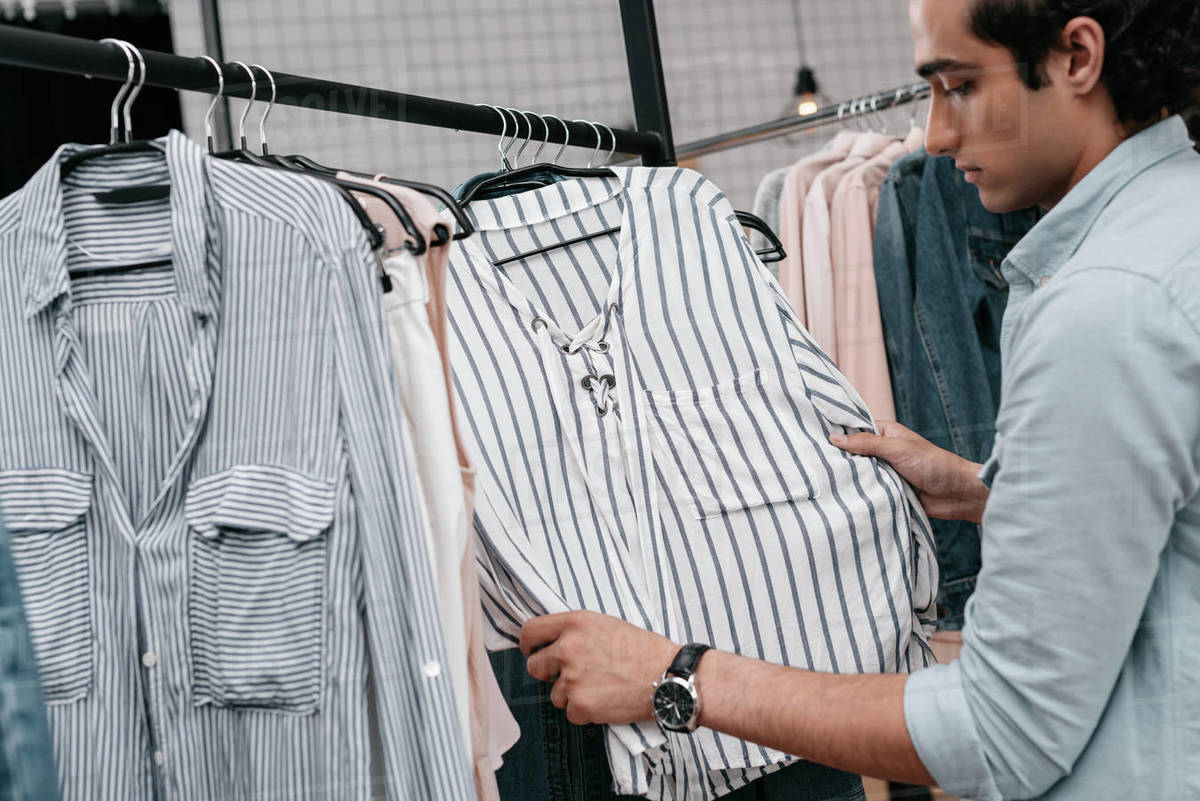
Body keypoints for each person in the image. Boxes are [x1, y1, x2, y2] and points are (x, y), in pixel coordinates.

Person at [517, 1, 1200, 799]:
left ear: (1077, 57)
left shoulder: (1103, 307)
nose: (938, 135)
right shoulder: (1174, 230)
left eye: (959, 85)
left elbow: (1000, 729)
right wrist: (991, 489)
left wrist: (676, 675)